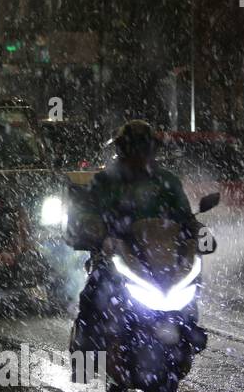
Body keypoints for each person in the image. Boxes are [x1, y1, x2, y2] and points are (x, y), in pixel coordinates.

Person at [68, 120, 205, 361]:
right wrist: (95, 232)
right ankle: (84, 354)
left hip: (161, 258)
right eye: (133, 147)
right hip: (118, 255)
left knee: (193, 282)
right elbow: (87, 213)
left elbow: (183, 216)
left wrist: (197, 231)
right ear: (122, 149)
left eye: (144, 147)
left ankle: (189, 328)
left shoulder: (167, 181)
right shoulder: (105, 182)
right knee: (92, 293)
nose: (139, 154)